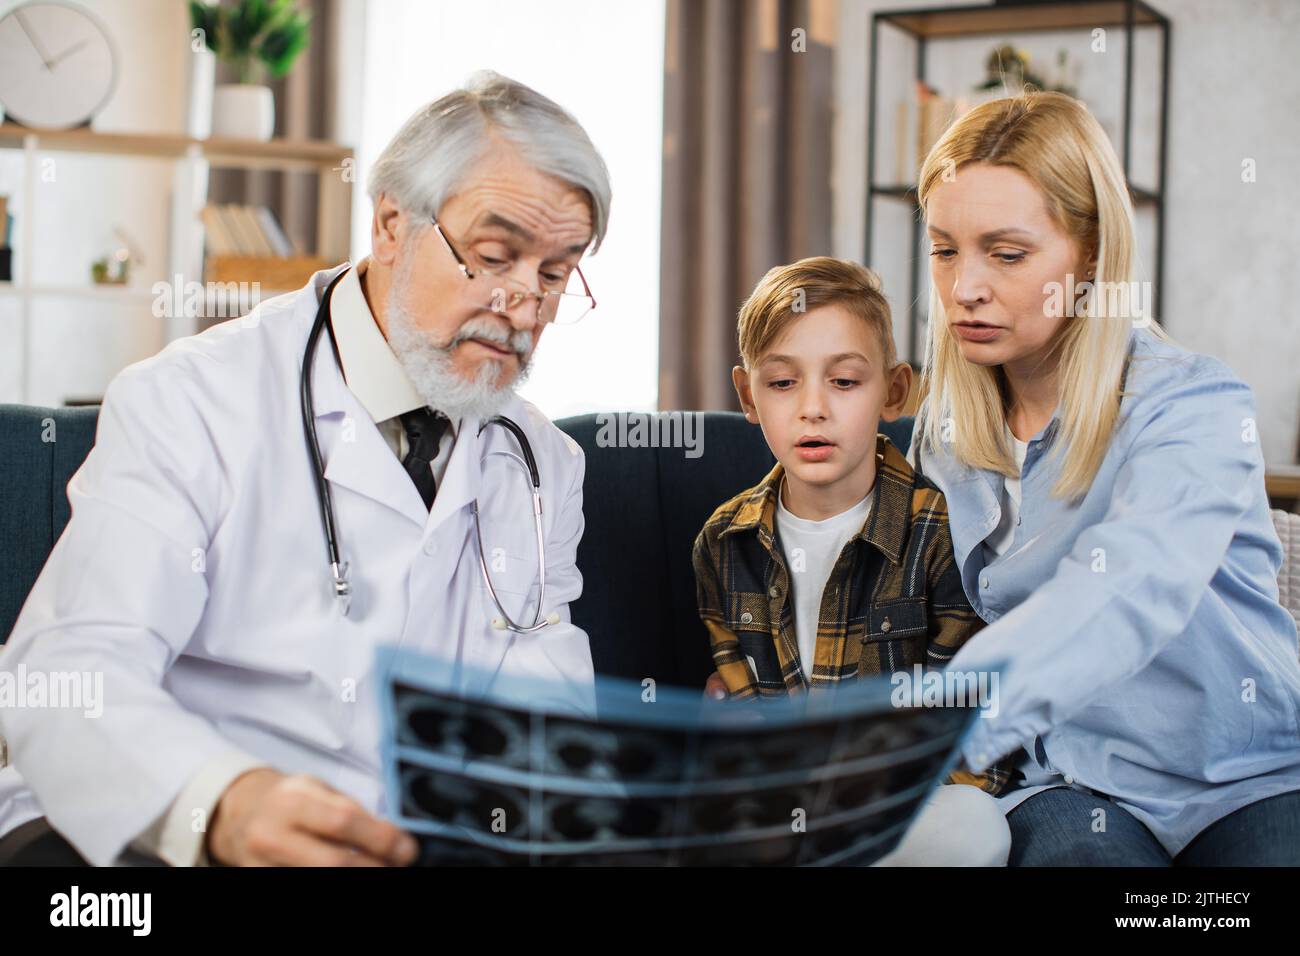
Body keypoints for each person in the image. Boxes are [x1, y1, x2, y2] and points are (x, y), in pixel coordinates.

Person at [0, 71, 610, 867]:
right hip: (156, 826)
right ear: (393, 224)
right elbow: (69, 676)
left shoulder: (541, 464)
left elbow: (542, 707)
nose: (526, 304)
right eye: (496, 256)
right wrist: (221, 802)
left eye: (556, 274)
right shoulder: (192, 398)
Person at [908, 91, 1300, 865]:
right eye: (945, 248)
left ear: (1090, 255)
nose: (964, 288)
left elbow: (1127, 584)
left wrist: (946, 716)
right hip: (1074, 782)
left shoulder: (1195, 405)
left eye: (1007, 253)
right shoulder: (946, 434)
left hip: (1248, 776)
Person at [692, 256, 1014, 865]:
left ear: (894, 391)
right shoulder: (723, 541)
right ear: (748, 396)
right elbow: (741, 700)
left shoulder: (939, 530)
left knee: (977, 825)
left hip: (902, 801)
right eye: (783, 383)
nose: (813, 408)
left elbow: (968, 715)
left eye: (844, 382)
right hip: (782, 796)